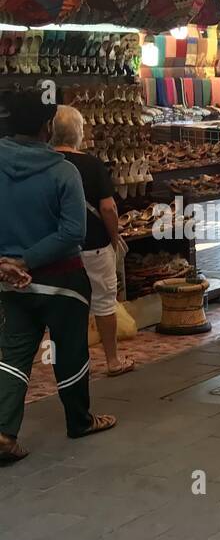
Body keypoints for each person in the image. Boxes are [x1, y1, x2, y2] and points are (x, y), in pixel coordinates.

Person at [0, 90, 115, 462]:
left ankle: (4, 432)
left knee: (14, 355)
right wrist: (29, 260)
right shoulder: (63, 172)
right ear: (47, 128)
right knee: (70, 350)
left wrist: (9, 263)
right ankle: (79, 420)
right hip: (62, 279)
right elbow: (72, 233)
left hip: (11, 280)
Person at [51, 105, 133, 376]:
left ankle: (67, 365)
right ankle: (112, 360)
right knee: (103, 301)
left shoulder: (44, 164)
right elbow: (108, 208)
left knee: (65, 306)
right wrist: (114, 237)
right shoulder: (92, 165)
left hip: (58, 248)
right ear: (78, 132)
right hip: (94, 244)